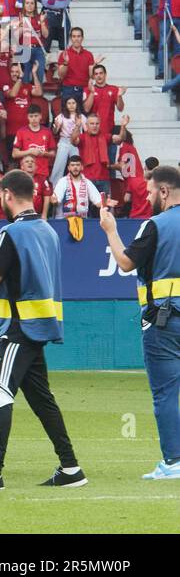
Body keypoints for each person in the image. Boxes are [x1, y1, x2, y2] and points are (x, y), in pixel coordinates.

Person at [0, 169, 86, 490]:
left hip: (16, 327)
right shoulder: (48, 231)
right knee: (42, 400)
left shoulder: (10, 234)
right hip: (40, 323)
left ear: (7, 195)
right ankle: (70, 467)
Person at [99, 165, 180, 480]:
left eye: (149, 192)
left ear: (163, 191)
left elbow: (125, 262)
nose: (147, 198)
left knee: (166, 393)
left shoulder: (155, 225)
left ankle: (173, 462)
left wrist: (110, 230)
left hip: (164, 322)